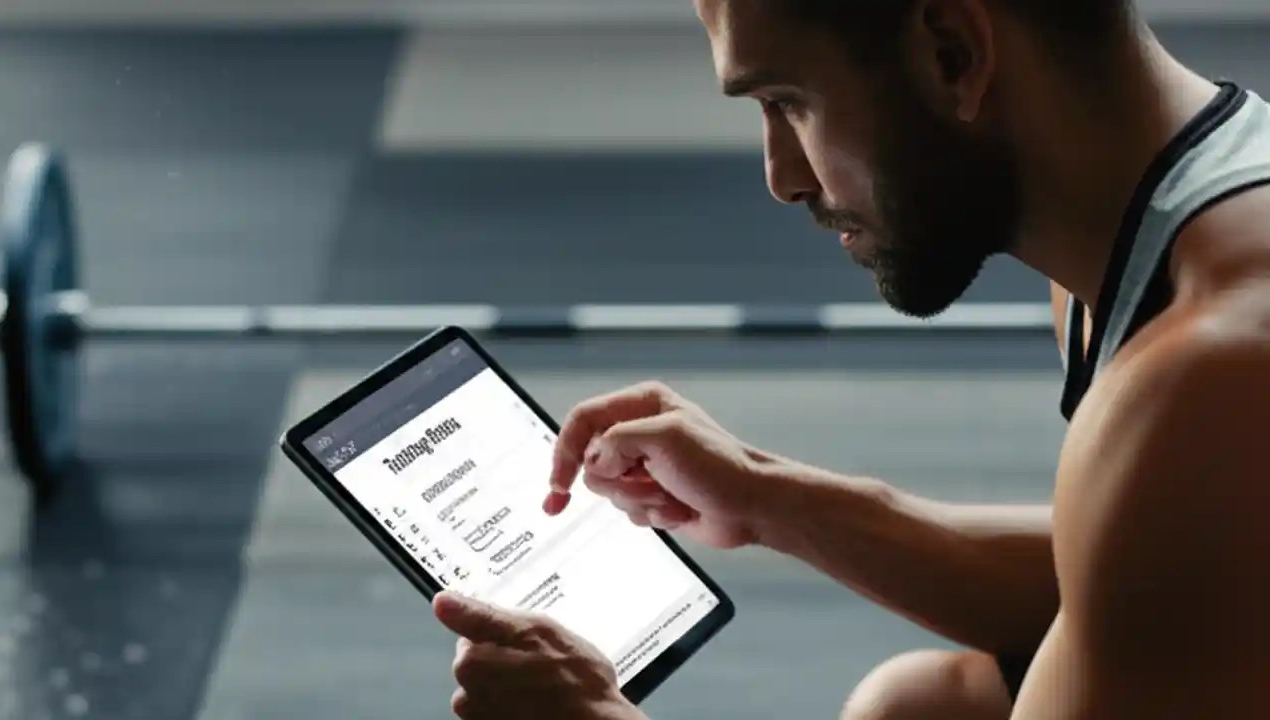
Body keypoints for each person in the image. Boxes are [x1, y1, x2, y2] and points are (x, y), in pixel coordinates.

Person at [430, 0, 1270, 717]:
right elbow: (1147, 580)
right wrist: (764, 498)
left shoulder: (1204, 385)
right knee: (918, 707)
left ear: (952, 53)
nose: (781, 176)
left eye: (788, 101)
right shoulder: (1187, 207)